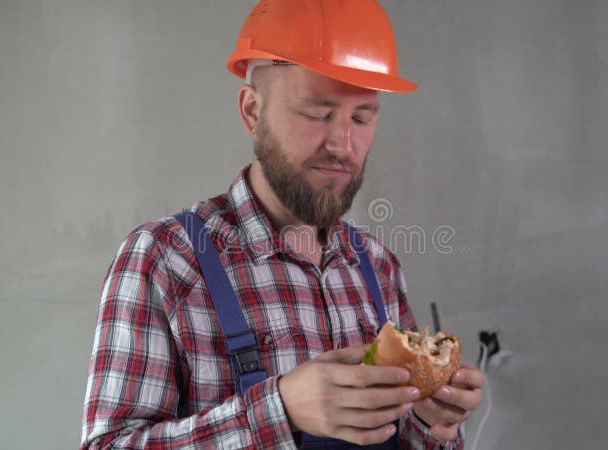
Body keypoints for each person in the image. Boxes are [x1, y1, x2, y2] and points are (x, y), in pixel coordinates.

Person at [80, 1, 485, 448]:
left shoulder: (378, 265)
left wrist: (432, 425)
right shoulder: (164, 259)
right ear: (253, 111)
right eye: (316, 113)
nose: (342, 143)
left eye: (362, 117)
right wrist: (279, 410)